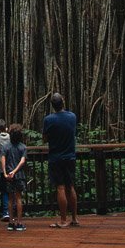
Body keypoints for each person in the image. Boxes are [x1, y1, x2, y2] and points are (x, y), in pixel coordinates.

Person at [42, 92, 79, 228]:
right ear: (63, 102)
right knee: (70, 186)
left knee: (61, 188)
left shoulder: (48, 120)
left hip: (55, 158)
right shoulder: (72, 117)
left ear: (52, 105)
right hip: (70, 157)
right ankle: (74, 218)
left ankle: (63, 220)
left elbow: (45, 138)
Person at [3, 124, 27, 231]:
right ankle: (19, 222)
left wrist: (5, 173)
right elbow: (22, 161)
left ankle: (11, 222)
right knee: (18, 198)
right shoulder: (23, 147)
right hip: (19, 175)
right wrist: (15, 171)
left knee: (10, 198)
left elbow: (2, 160)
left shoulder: (6, 147)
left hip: (9, 176)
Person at [0, 119, 11, 221]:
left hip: (1, 169)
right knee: (13, 190)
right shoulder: (11, 137)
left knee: (4, 190)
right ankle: (13, 211)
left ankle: (5, 212)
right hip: (12, 167)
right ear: (6, 128)